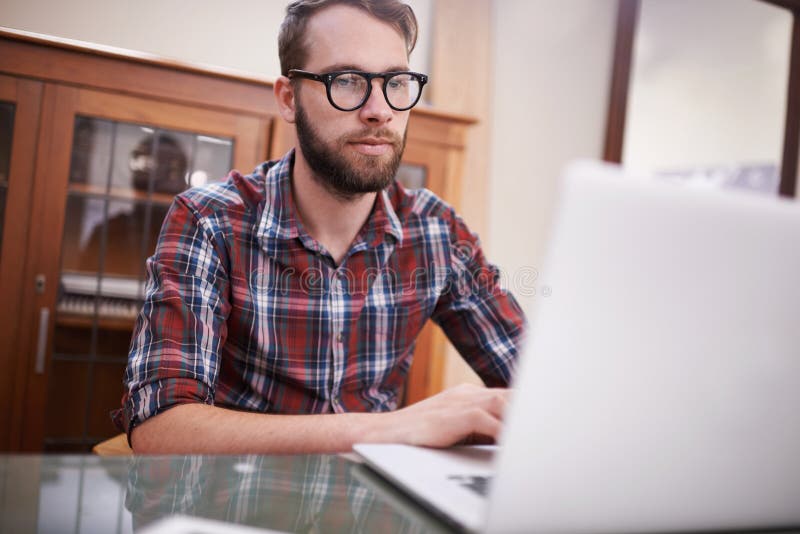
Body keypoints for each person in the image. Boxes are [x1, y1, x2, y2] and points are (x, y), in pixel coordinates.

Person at [115, 0, 526, 454]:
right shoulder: (209, 221)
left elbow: (537, 386)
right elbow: (160, 428)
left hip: (370, 496)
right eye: (346, 81)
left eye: (395, 82)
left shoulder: (437, 232)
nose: (379, 111)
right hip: (240, 495)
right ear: (289, 99)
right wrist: (392, 428)